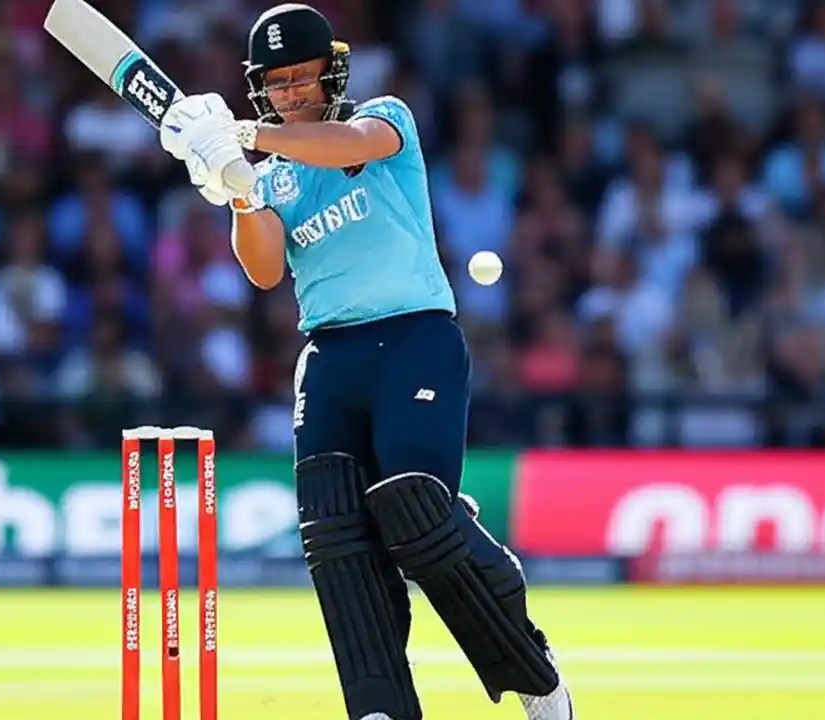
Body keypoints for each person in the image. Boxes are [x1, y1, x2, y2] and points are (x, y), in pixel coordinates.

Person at [158, 4, 575, 719]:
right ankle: (379, 706)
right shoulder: (275, 177)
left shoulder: (385, 119)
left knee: (415, 509)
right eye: (277, 82)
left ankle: (533, 676)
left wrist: (245, 134)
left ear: (331, 72)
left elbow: (349, 142)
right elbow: (262, 271)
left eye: (303, 76)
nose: (291, 91)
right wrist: (232, 188)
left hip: (415, 339)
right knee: (336, 538)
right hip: (329, 355)